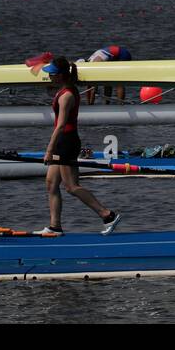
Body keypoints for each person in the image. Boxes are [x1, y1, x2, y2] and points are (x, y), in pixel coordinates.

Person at [38, 56, 120, 237]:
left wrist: (49, 150)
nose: (49, 77)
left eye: (52, 74)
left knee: (71, 186)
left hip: (66, 142)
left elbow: (61, 125)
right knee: (51, 184)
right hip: (63, 141)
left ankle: (108, 215)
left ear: (60, 76)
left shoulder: (67, 95)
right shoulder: (63, 90)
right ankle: (55, 227)